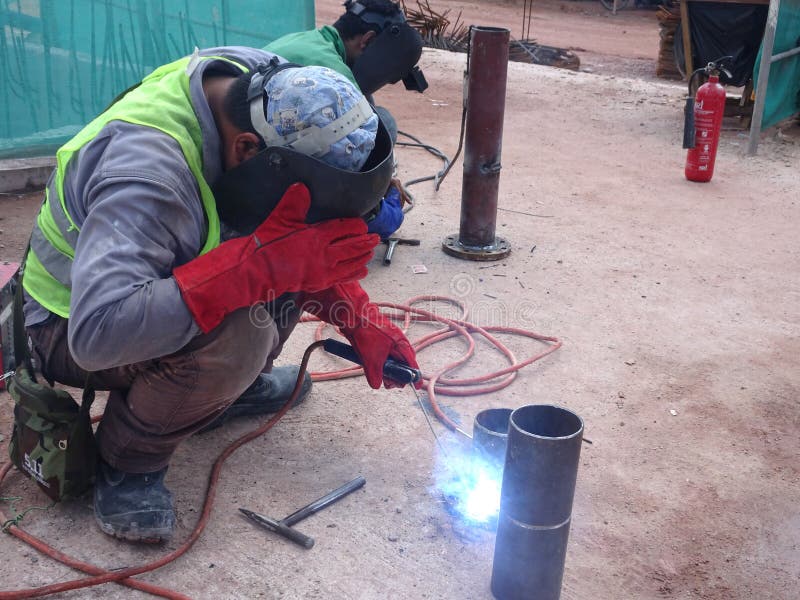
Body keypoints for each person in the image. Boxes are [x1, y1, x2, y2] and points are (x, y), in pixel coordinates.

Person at [20, 47, 419, 543]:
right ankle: (128, 459)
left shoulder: (263, 84)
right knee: (239, 335)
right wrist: (256, 267)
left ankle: (223, 393)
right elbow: (98, 334)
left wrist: (358, 316)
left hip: (153, 274)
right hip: (64, 319)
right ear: (249, 151)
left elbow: (297, 244)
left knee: (278, 253)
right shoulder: (145, 178)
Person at [265, 0, 428, 240]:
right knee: (381, 122)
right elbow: (350, 192)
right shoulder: (334, 76)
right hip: (268, 180)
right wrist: (382, 201)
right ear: (368, 41)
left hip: (245, 152)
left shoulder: (306, 40)